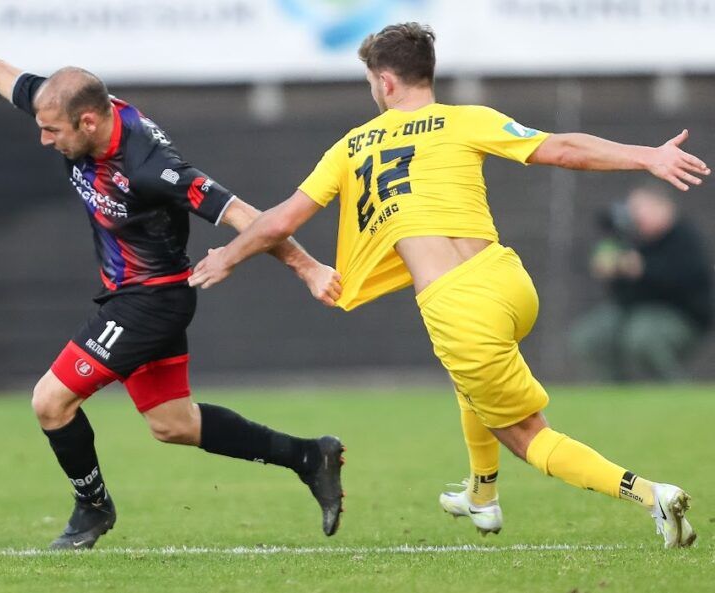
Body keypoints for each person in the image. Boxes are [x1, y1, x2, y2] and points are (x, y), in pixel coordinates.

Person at [189, 23, 709, 548]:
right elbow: (563, 148)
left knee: (528, 436)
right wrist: (647, 155)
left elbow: (279, 221)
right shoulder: (466, 119)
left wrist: (227, 256)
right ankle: (482, 495)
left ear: (385, 82)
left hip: (457, 305)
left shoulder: (351, 147)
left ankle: (652, 495)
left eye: (371, 81)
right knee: (468, 380)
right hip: (507, 280)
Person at [0, 58, 345, 549]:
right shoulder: (64, 102)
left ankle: (92, 507)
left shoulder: (151, 166)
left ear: (88, 122)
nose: (44, 139)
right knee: (173, 424)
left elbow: (246, 215)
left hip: (150, 302)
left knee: (50, 402)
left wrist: (306, 268)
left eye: (52, 131)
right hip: (136, 295)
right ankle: (310, 456)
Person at [571, 185, 712, 382]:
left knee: (643, 336)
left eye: (640, 209)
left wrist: (642, 268)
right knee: (591, 336)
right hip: (631, 312)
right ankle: (612, 392)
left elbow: (686, 278)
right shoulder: (630, 238)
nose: (634, 216)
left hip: (680, 315)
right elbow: (619, 282)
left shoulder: (684, 237)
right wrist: (611, 267)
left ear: (664, 208)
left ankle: (672, 391)